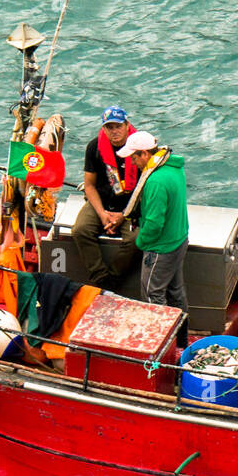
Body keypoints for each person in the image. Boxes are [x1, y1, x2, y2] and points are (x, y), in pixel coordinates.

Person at [116, 130, 190, 317]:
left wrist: (141, 242)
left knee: (152, 294)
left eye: (134, 157)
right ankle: (181, 338)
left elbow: (154, 223)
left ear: (145, 154)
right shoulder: (174, 168)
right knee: (176, 291)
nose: (132, 163)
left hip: (161, 248)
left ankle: (162, 341)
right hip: (179, 239)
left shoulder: (156, 181)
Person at [72, 105, 141, 288]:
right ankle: (101, 278)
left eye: (118, 126)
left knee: (136, 239)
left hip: (132, 204)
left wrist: (124, 215)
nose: (114, 131)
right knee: (80, 230)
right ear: (104, 129)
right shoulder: (95, 147)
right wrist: (102, 214)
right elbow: (89, 185)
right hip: (103, 201)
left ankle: (113, 279)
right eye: (109, 127)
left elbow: (144, 190)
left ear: (127, 125)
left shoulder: (140, 148)